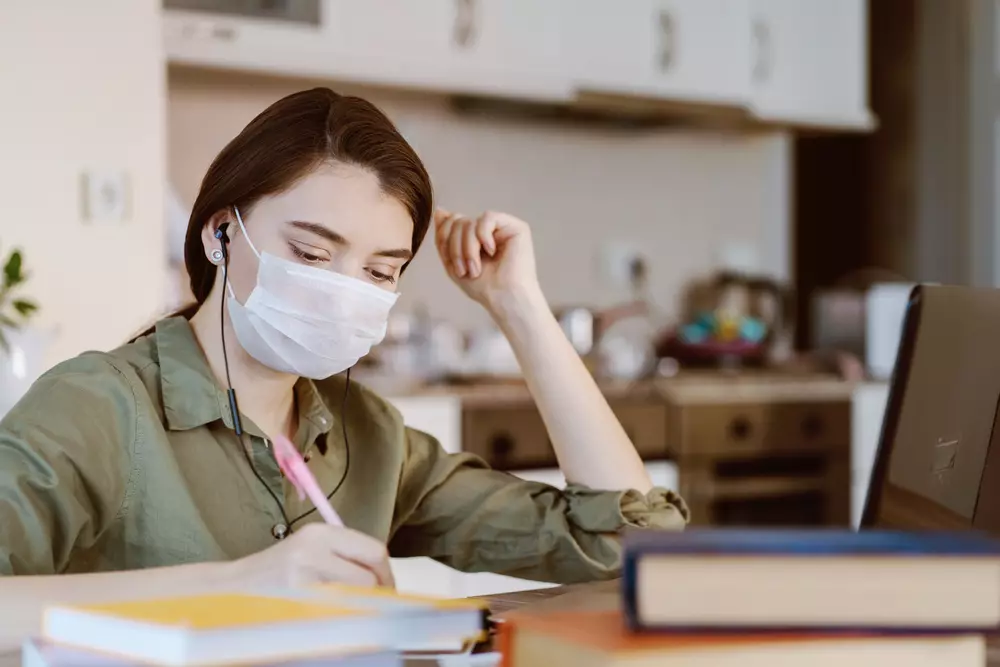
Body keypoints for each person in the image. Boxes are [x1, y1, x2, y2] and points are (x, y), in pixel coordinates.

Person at [0, 88, 687, 644]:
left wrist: (520, 308)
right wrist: (234, 585)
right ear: (220, 235)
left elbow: (630, 544)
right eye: (311, 253)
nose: (343, 288)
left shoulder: (371, 436)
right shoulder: (99, 407)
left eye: (380, 270)